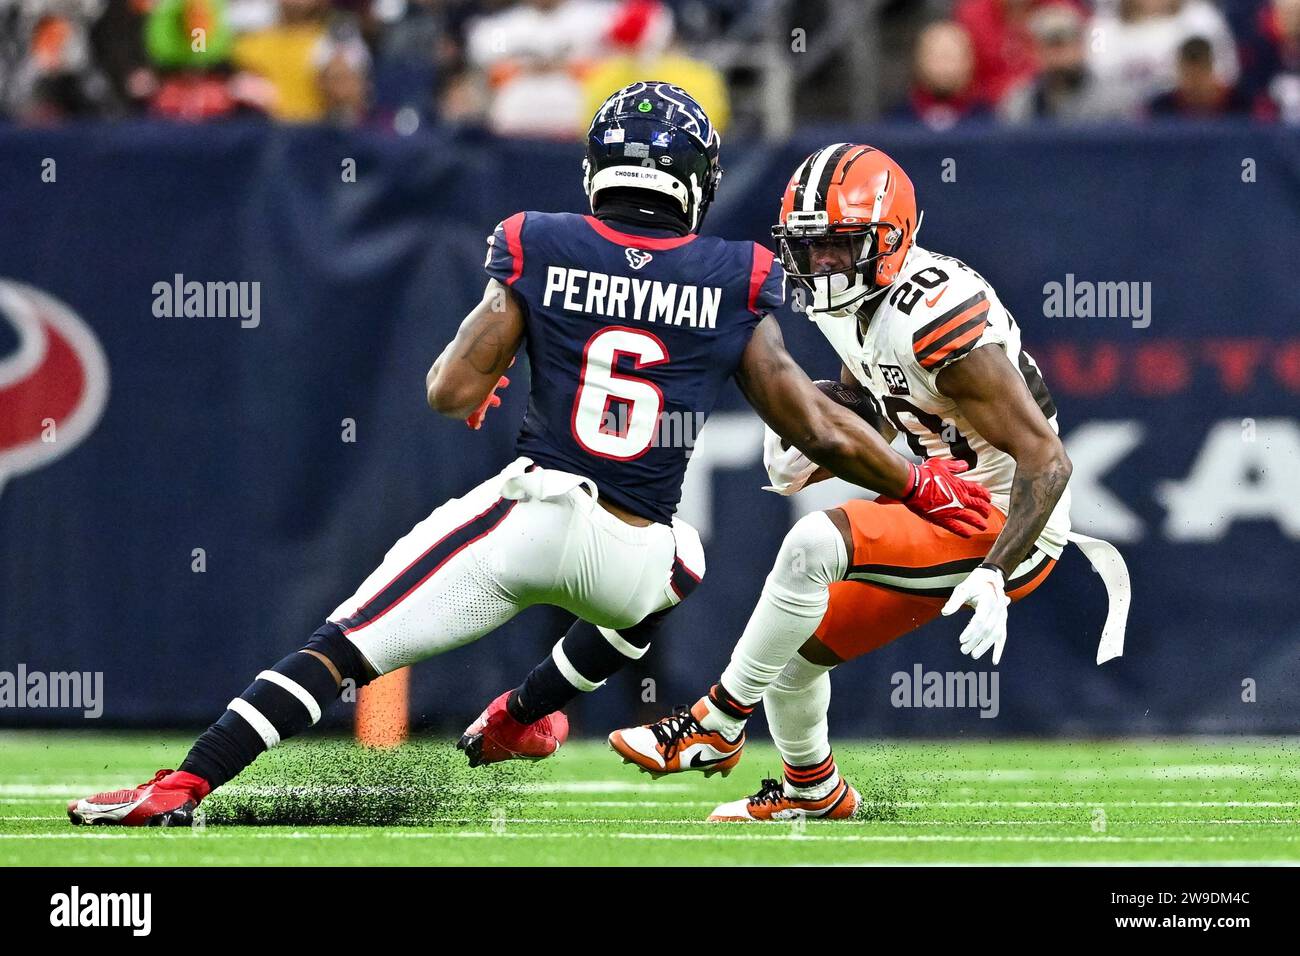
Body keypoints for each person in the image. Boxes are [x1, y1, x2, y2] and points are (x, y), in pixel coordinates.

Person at [66, 88, 991, 826]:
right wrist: (921, 481)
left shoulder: (536, 244)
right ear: (696, 182)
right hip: (633, 555)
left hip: (531, 518)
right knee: (687, 560)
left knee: (343, 645)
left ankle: (185, 785)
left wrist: (501, 358)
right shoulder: (733, 272)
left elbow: (448, 392)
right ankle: (520, 714)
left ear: (599, 170)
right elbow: (822, 430)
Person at [611, 143, 1082, 821]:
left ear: (890, 238)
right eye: (812, 247)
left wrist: (995, 575)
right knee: (792, 655)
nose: (823, 264)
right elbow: (883, 393)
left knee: (812, 543)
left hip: (1007, 516)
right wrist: (820, 425)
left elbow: (1050, 460)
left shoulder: (933, 314)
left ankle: (715, 721)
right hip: (947, 494)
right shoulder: (856, 301)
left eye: (840, 245)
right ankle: (815, 790)